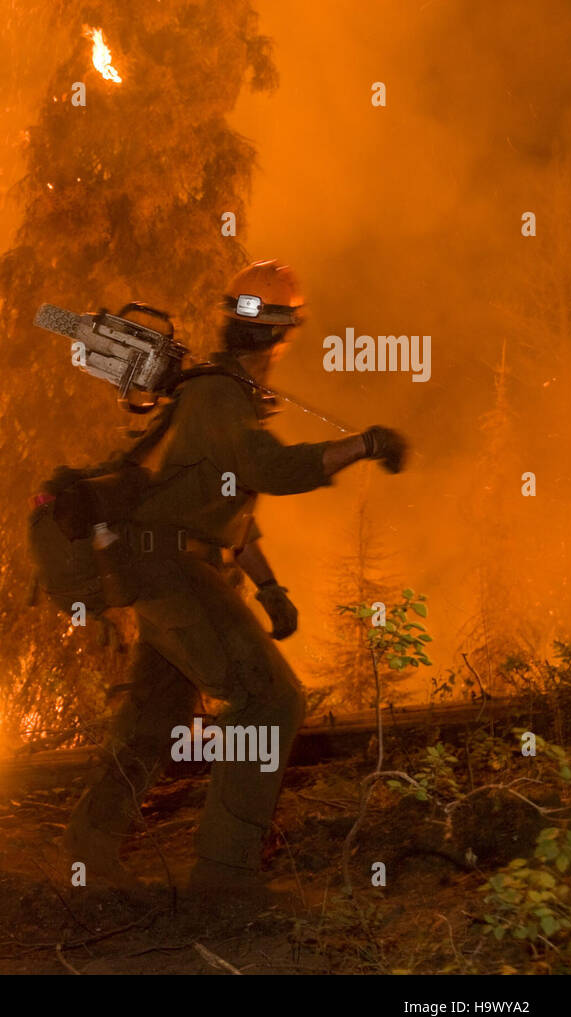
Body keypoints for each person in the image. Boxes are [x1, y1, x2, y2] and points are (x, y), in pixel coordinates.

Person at [62, 259, 408, 913]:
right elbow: (268, 468)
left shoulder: (213, 395)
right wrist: (361, 445)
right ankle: (224, 876)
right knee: (270, 700)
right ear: (284, 334)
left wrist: (270, 588)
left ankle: (90, 851)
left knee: (153, 720)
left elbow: (225, 510)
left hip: (158, 566)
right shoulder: (218, 395)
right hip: (172, 570)